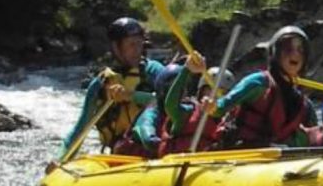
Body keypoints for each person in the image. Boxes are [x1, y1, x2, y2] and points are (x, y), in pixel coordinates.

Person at [58, 17, 165, 160]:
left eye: (139, 44)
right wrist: (60, 159)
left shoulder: (154, 71)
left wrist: (132, 95)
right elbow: (80, 129)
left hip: (155, 149)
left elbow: (169, 100)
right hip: (120, 155)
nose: (137, 50)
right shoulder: (101, 83)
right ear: (116, 48)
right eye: (131, 45)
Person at [208, 25, 319, 149]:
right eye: (288, 48)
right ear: (275, 53)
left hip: (278, 155)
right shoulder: (258, 83)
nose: (295, 54)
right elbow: (220, 108)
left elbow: (315, 138)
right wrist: (212, 107)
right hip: (243, 151)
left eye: (301, 50)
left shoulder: (304, 105)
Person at [160, 52, 235, 155]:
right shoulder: (188, 112)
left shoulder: (228, 119)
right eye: (211, 90)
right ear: (201, 92)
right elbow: (170, 105)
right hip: (179, 162)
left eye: (223, 92)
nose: (215, 95)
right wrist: (186, 70)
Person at [126, 62, 184, 158]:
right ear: (164, 89)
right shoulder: (152, 112)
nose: (181, 92)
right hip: (139, 160)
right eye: (174, 87)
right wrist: (167, 146)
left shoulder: (185, 110)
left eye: (182, 87)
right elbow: (148, 137)